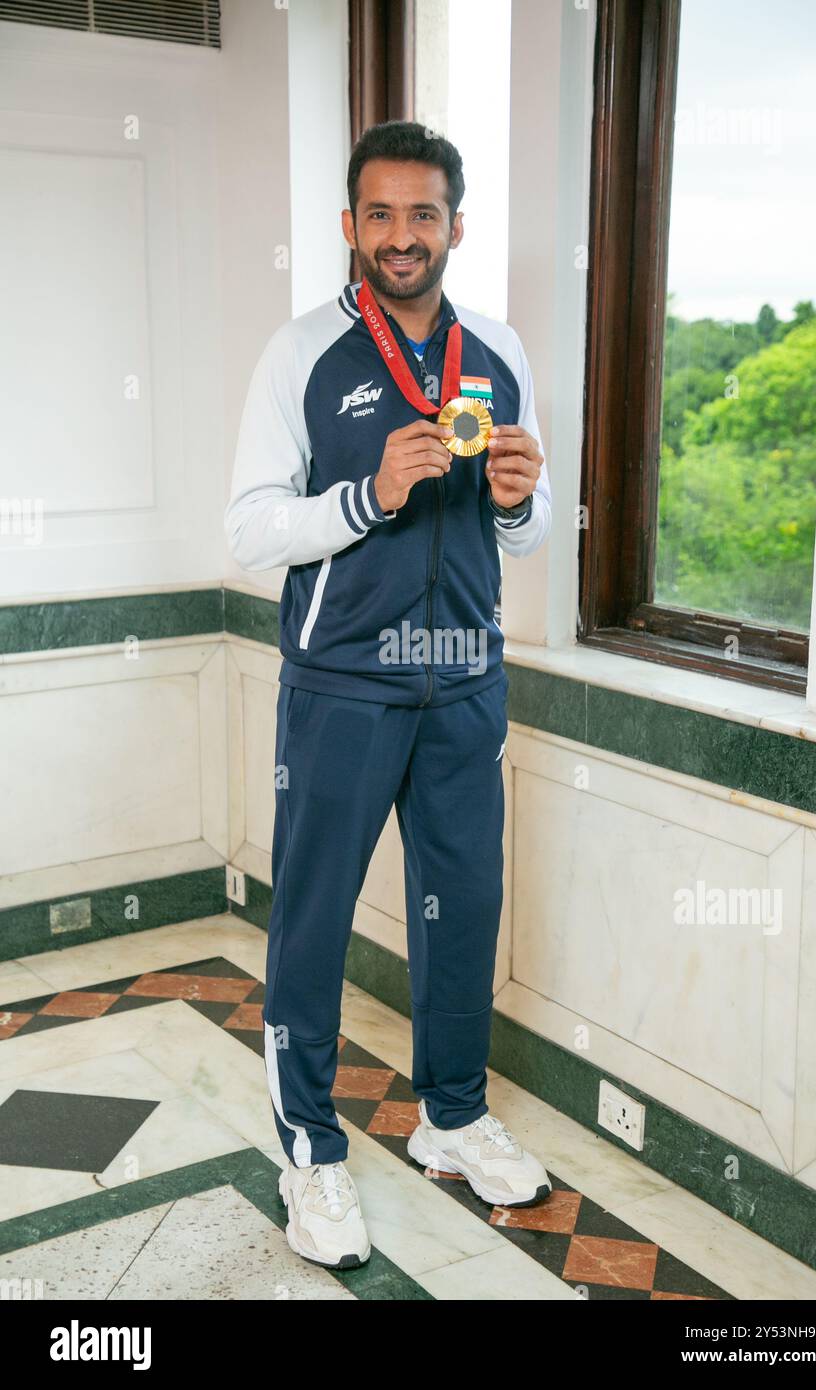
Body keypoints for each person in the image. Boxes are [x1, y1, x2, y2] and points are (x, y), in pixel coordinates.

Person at [225, 120, 553, 1270]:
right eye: (380, 215)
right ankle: (309, 1150)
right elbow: (249, 523)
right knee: (312, 921)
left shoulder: (497, 351)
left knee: (460, 913)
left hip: (462, 682)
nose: (401, 236)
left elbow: (533, 524)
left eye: (423, 215)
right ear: (350, 226)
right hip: (343, 684)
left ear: (455, 225)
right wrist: (365, 494)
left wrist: (516, 497)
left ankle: (450, 1119)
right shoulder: (303, 353)